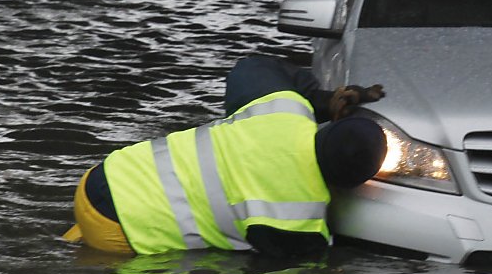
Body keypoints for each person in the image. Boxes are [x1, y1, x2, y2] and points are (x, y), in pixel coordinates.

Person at [64, 54, 387, 261]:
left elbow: (253, 65)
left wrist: (323, 99)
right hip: (118, 231)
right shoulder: (300, 220)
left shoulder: (283, 109)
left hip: (103, 176)